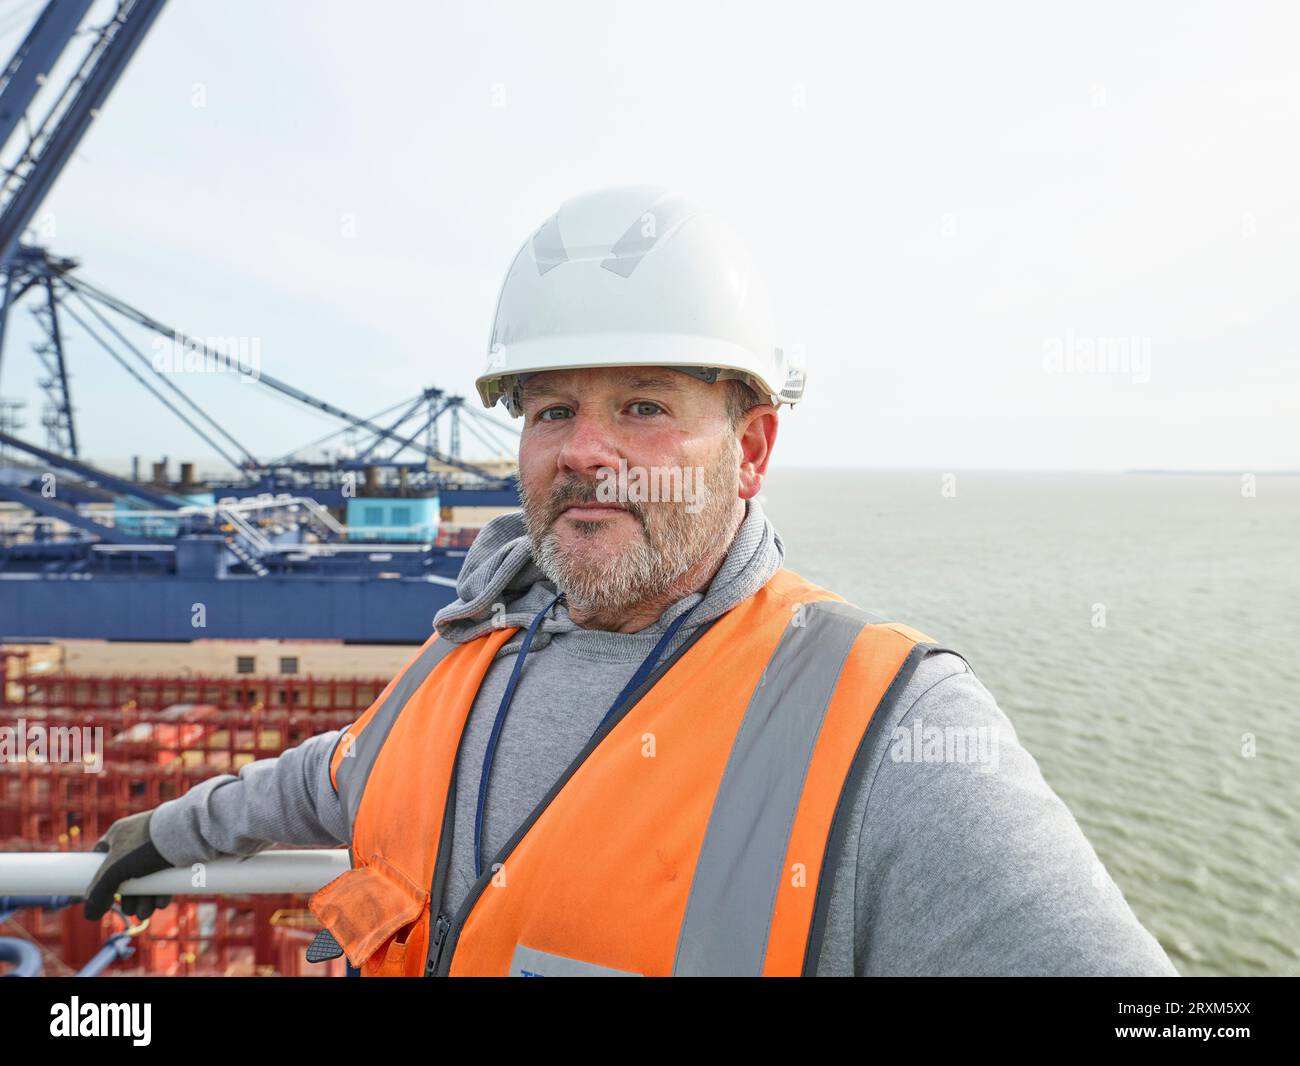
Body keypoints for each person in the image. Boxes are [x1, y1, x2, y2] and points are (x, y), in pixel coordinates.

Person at [85, 185, 1179, 977]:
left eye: (644, 406)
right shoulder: (467, 650)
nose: (583, 451)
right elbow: (341, 776)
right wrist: (167, 833)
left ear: (749, 449)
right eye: (553, 409)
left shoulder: (881, 724)